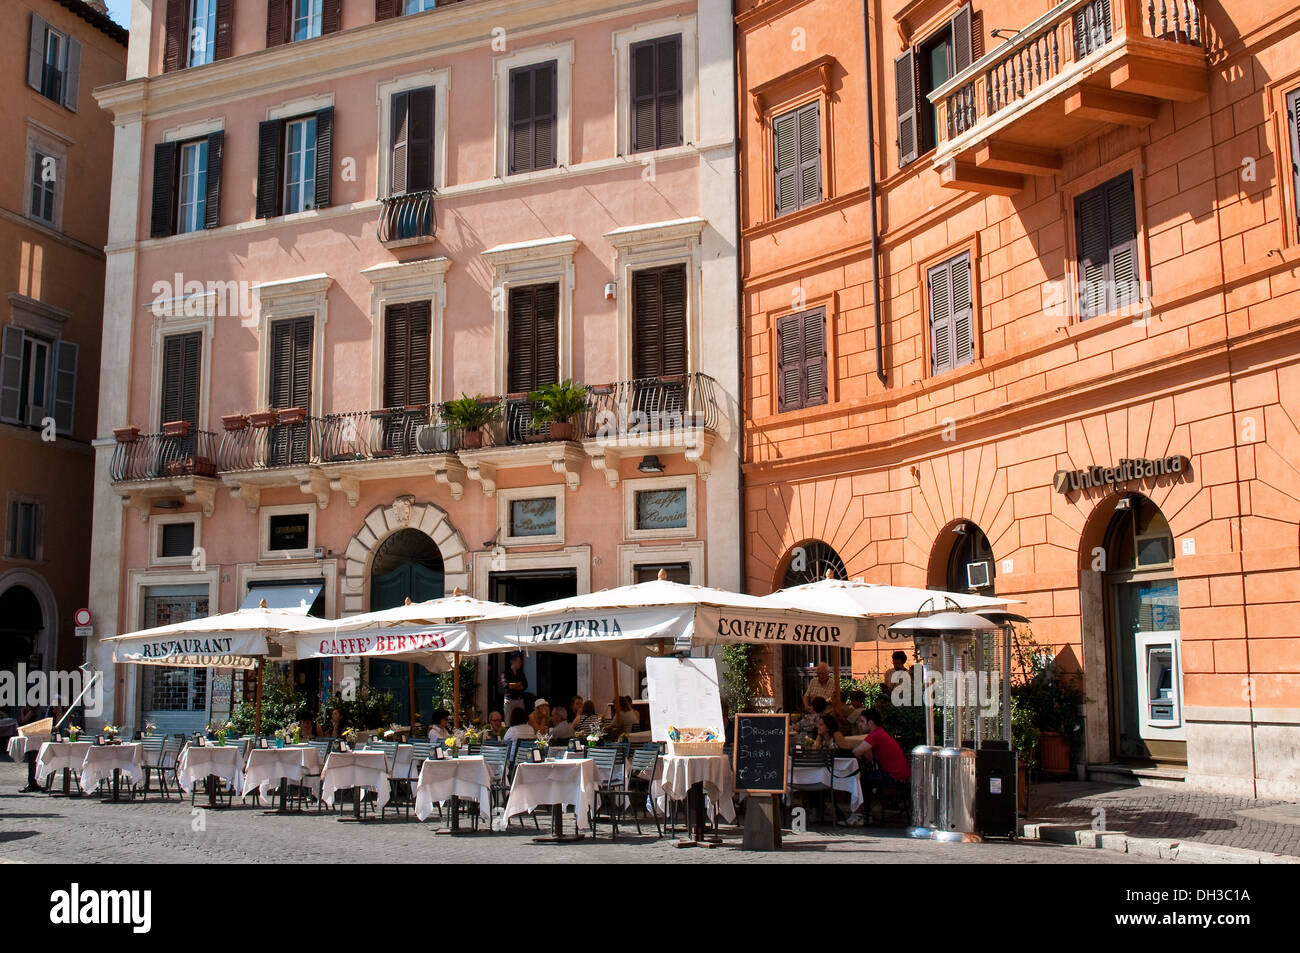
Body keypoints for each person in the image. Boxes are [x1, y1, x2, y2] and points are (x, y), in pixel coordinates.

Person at [853, 709, 910, 782]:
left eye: (862, 721)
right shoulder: (879, 732)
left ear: (870, 723)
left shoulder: (875, 735)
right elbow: (870, 758)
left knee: (859, 777)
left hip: (894, 775)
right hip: (899, 773)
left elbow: (855, 753)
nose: (859, 724)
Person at [499, 654, 528, 722]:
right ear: (513, 662)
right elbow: (505, 685)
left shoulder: (521, 673)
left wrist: (512, 686)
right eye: (519, 662)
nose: (521, 663)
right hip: (509, 700)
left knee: (522, 720)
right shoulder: (505, 673)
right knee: (508, 720)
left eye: (521, 662)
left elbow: (525, 685)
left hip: (519, 699)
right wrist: (518, 684)